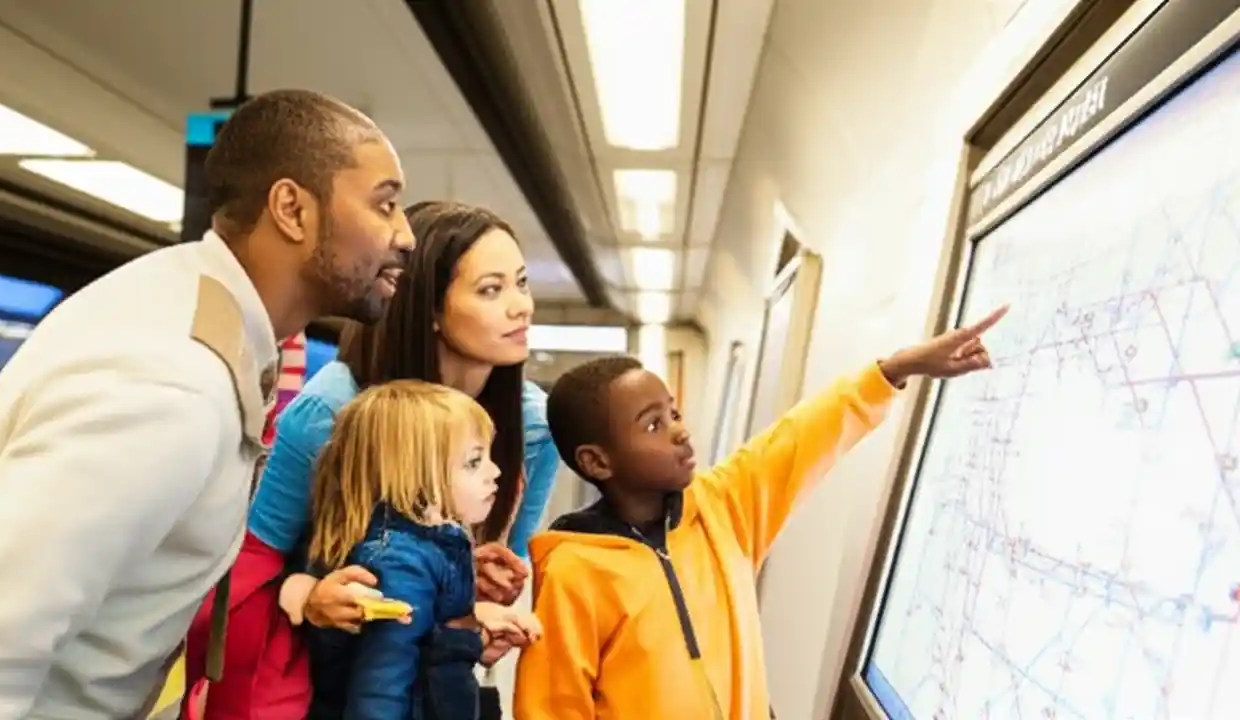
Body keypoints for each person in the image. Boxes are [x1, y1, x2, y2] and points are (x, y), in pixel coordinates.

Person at [0, 88, 415, 717]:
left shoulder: (191, 307)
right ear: (292, 209)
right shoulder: (171, 386)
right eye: (385, 204)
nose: (406, 235)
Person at [513, 306, 1009, 719]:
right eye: (653, 426)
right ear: (597, 461)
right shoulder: (574, 571)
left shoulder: (721, 508)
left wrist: (896, 369)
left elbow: (799, 437)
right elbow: (551, 709)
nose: (680, 432)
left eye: (675, 413)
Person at [181, 200, 560, 717]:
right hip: (318, 687)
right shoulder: (331, 412)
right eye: (491, 290)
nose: (522, 306)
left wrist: (479, 597)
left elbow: (483, 581)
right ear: (427, 307)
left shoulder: (534, 427)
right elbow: (250, 570)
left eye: (521, 283)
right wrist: (311, 595)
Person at [305, 380, 542, 719]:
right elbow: (382, 680)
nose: (495, 472)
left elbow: (429, 647)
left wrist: (470, 636)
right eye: (474, 462)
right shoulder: (401, 564)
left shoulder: (433, 546)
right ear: (415, 474)